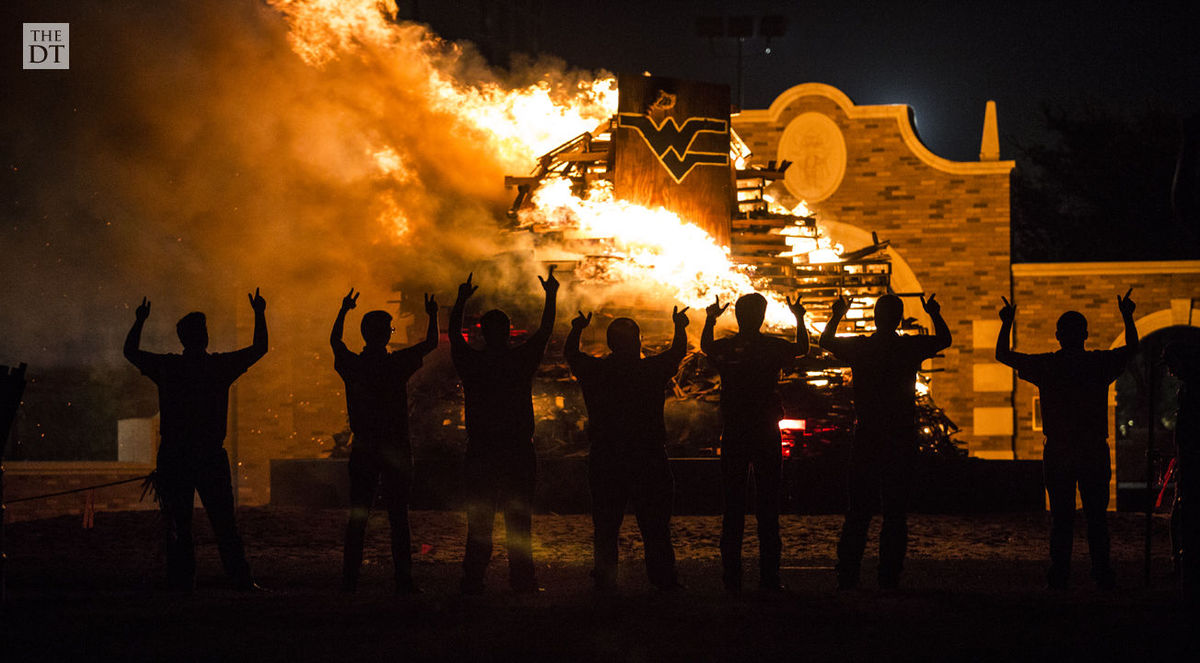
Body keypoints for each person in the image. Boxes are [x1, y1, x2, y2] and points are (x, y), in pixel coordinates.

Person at [123, 290, 268, 591]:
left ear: (182, 339)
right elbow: (260, 348)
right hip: (209, 455)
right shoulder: (217, 367)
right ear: (202, 337)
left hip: (175, 454)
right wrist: (259, 313)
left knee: (180, 524)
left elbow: (130, 352)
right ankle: (240, 581)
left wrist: (139, 322)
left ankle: (181, 582)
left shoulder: (169, 367)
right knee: (223, 523)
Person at [995, 289, 1138, 590]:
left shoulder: (1048, 365)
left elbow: (1002, 355)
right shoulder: (1097, 364)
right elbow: (1131, 348)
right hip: (1093, 448)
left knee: (1062, 517)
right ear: (1085, 334)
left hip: (1059, 448)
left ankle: (1060, 574)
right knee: (1096, 516)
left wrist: (1007, 322)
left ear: (1058, 335)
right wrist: (1127, 316)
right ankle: (1101, 573)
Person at [821, 292, 951, 590]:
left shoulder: (862, 347)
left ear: (876, 318)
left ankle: (848, 573)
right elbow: (944, 339)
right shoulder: (908, 347)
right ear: (899, 319)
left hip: (868, 434)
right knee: (895, 512)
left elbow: (825, 342)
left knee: (858, 511)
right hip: (900, 436)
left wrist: (838, 314)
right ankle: (889, 575)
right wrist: (934, 313)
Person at [450, 267, 558, 594]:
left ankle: (473, 579)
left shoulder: (472, 363)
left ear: (482, 333)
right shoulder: (520, 361)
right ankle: (522, 580)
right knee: (518, 519)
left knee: (479, 520)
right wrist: (550, 295)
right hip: (516, 450)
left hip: (481, 450)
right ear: (510, 332)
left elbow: (454, 335)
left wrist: (460, 301)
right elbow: (545, 331)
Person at [565, 306, 689, 591]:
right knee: (656, 524)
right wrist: (679, 325)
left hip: (607, 456)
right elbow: (677, 353)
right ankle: (663, 579)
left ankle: (606, 580)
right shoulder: (650, 371)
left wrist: (577, 328)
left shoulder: (595, 371)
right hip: (648, 456)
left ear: (610, 343)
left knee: (606, 526)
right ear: (639, 341)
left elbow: (572, 355)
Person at [331, 288, 438, 594]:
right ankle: (403, 580)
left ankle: (349, 580)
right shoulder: (396, 365)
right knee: (398, 516)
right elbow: (430, 344)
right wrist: (432, 315)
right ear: (386, 334)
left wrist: (343, 311)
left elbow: (335, 343)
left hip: (364, 446)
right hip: (395, 447)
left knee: (359, 514)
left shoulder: (354, 366)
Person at [701, 292, 809, 594]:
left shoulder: (726, 348)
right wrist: (799, 316)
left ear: (737, 316)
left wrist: (710, 320)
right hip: (765, 431)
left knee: (733, 506)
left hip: (735, 431)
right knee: (768, 506)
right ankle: (769, 578)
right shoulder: (772, 348)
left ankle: (731, 579)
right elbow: (802, 348)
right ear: (761, 317)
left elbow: (706, 347)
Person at [1163, 341, 1199, 602]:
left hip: (1192, 462)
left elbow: (1187, 431)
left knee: (1184, 517)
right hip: (1187, 460)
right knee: (1180, 516)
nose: (1169, 371)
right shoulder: (1186, 389)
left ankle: (1185, 568)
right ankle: (1181, 564)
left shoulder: (1191, 391)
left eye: (1171, 364)